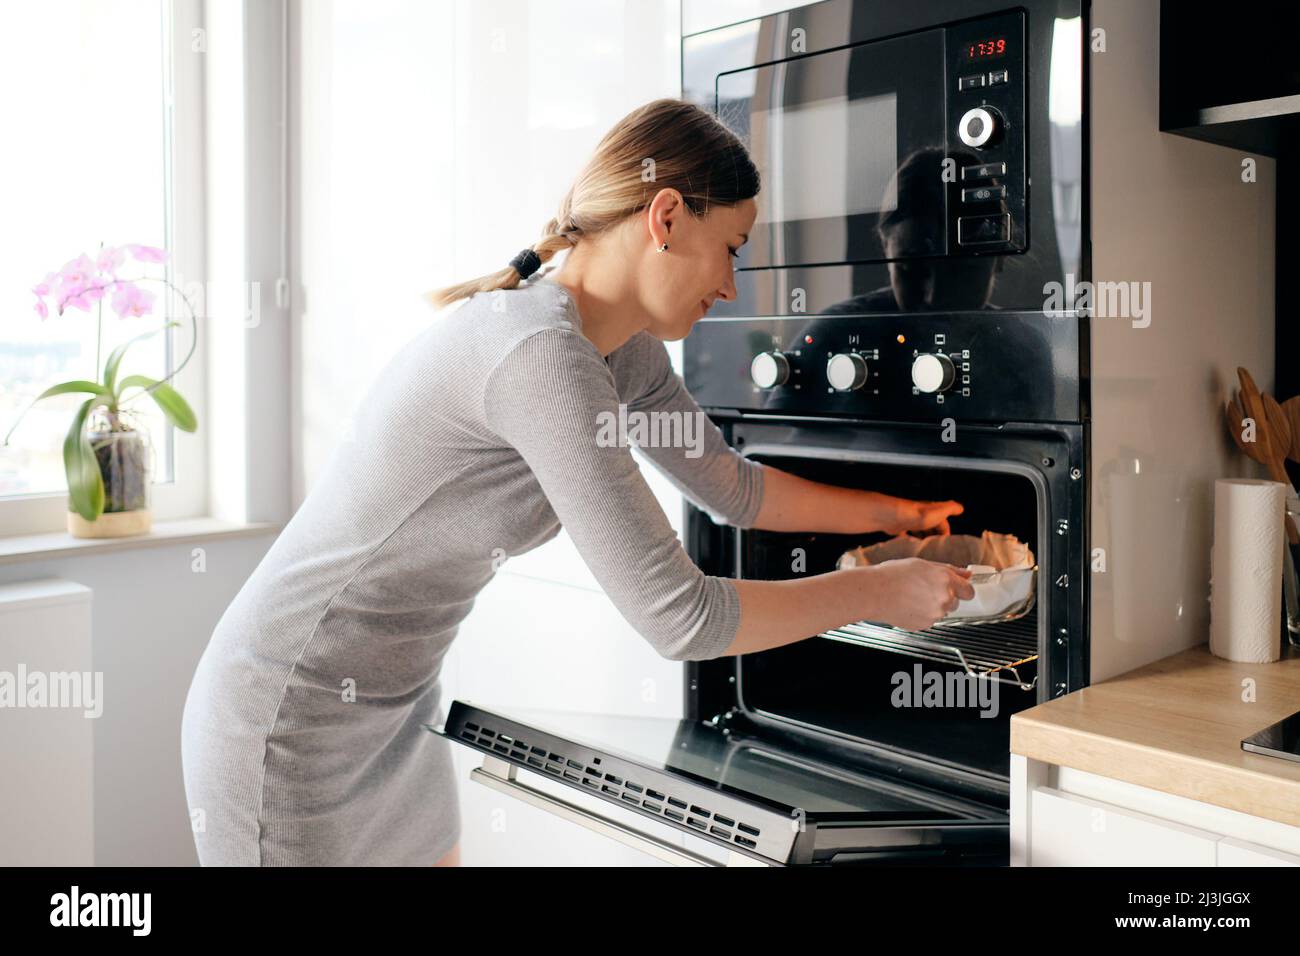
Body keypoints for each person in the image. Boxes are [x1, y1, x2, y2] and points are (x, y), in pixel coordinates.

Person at [180, 98, 974, 868]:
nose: (732, 284)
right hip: (290, 717)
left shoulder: (620, 349)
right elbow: (682, 619)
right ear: (665, 217)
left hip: (394, 708)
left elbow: (733, 488)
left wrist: (898, 514)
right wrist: (877, 595)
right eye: (732, 247)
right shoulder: (538, 355)